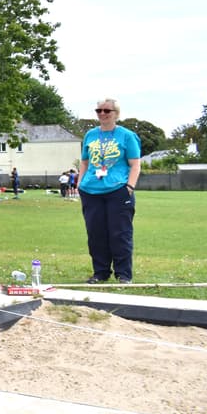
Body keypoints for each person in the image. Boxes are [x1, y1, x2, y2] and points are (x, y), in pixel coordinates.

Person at [77, 98, 141, 284]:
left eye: (107, 111)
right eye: (99, 110)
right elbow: (84, 161)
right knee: (96, 234)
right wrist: (80, 184)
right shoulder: (90, 135)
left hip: (118, 190)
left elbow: (135, 164)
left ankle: (123, 275)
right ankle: (100, 272)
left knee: (120, 233)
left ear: (116, 114)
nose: (103, 114)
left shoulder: (127, 136)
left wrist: (129, 187)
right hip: (91, 191)